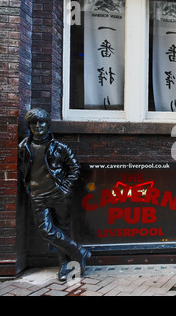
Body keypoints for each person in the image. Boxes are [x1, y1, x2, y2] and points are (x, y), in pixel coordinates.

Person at [18, 108, 91, 281]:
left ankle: (64, 266)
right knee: (46, 230)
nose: (38, 126)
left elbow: (74, 168)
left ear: (48, 124)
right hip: (37, 195)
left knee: (62, 229)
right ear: (29, 125)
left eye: (42, 122)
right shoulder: (23, 148)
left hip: (58, 193)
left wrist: (64, 188)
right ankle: (80, 252)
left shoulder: (60, 147)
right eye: (33, 123)